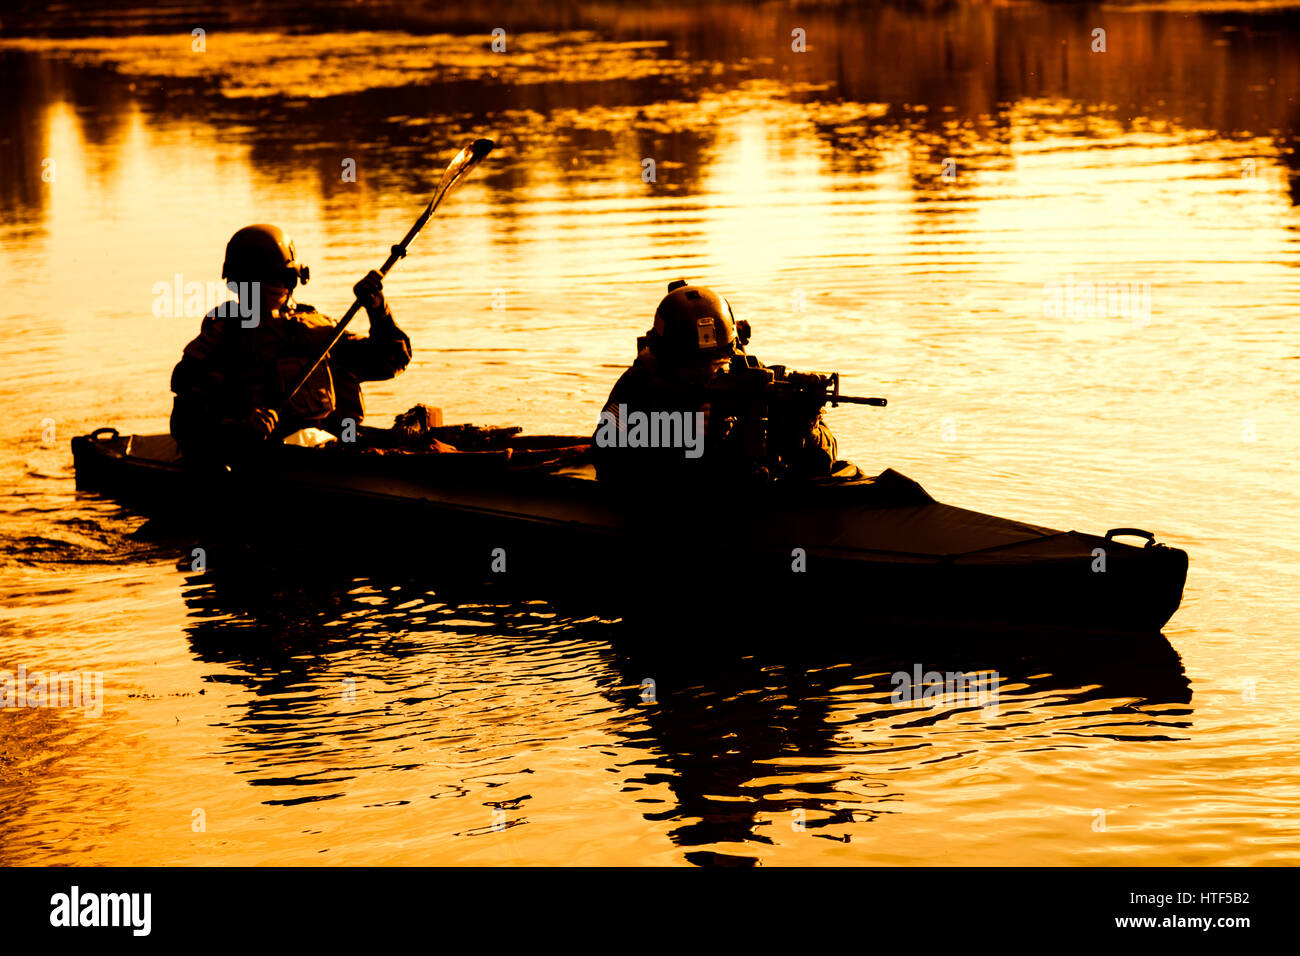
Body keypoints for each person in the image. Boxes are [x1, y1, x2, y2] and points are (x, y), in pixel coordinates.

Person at [169, 224, 411, 462]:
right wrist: (238, 429)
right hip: (259, 461)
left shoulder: (319, 331)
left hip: (337, 455)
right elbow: (185, 426)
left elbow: (392, 359)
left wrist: (378, 309)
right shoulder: (220, 342)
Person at [592, 280, 838, 484]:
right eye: (692, 365)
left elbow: (823, 461)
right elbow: (605, 450)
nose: (707, 373)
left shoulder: (751, 375)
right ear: (666, 358)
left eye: (716, 362)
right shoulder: (638, 385)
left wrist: (806, 429)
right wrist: (683, 435)